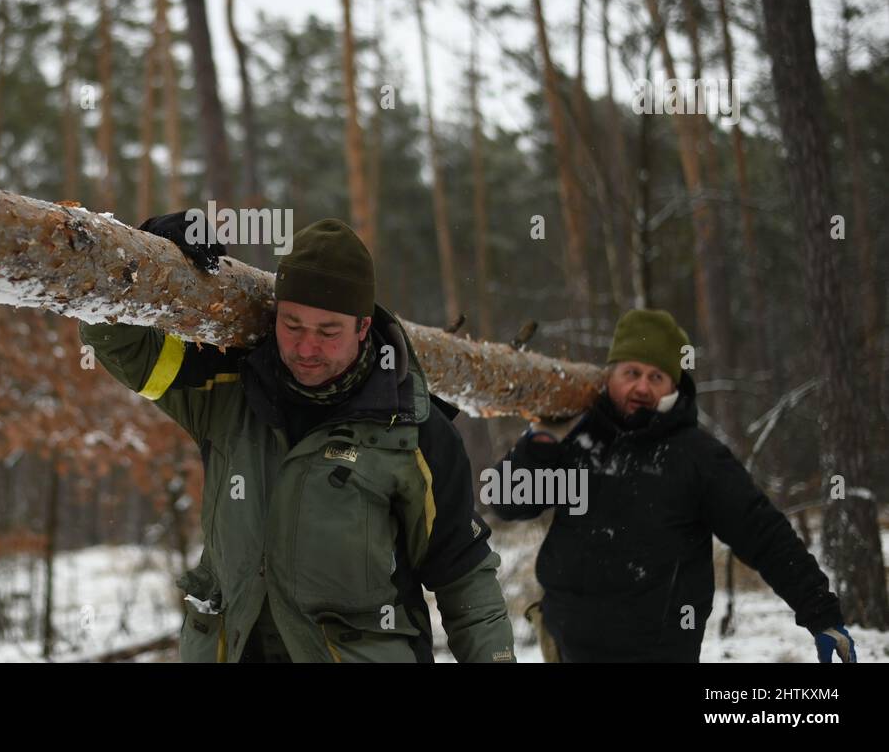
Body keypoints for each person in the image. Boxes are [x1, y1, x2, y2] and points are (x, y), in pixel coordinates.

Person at [80, 213, 515, 662]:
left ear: (363, 328)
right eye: (293, 325)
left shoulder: (412, 428)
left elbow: (464, 576)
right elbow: (116, 342)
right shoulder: (226, 388)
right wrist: (148, 247)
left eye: (328, 332)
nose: (307, 348)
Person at [490, 308, 856, 663]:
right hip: (564, 647)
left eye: (656, 377)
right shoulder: (580, 440)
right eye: (631, 372)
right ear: (609, 375)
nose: (642, 387)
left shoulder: (697, 457)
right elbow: (507, 503)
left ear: (673, 387)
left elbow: (764, 535)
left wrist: (822, 614)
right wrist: (539, 441)